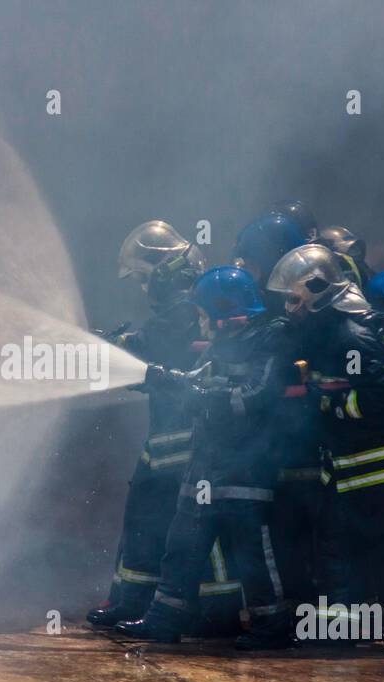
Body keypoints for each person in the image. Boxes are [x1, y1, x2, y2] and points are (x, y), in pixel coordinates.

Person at [265, 245, 384, 654]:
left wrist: (326, 401)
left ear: (315, 292)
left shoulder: (352, 334)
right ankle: (342, 627)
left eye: (295, 299)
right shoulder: (324, 330)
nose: (290, 309)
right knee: (340, 545)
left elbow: (377, 398)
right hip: (350, 463)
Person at [115, 266, 311, 649]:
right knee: (182, 546)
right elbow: (196, 383)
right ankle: (163, 621)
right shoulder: (223, 345)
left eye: (204, 314)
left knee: (253, 554)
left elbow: (252, 396)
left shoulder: (272, 341)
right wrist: (158, 378)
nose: (200, 322)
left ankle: (270, 627)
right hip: (205, 466)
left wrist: (201, 395)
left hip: (245, 470)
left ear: (224, 314)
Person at [86, 221, 208, 627]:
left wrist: (110, 344)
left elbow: (150, 346)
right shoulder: (180, 309)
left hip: (187, 441)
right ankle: (131, 600)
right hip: (163, 441)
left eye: (143, 279)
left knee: (174, 527)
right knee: (143, 520)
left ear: (164, 271)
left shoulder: (189, 308)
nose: (143, 288)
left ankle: (204, 612)